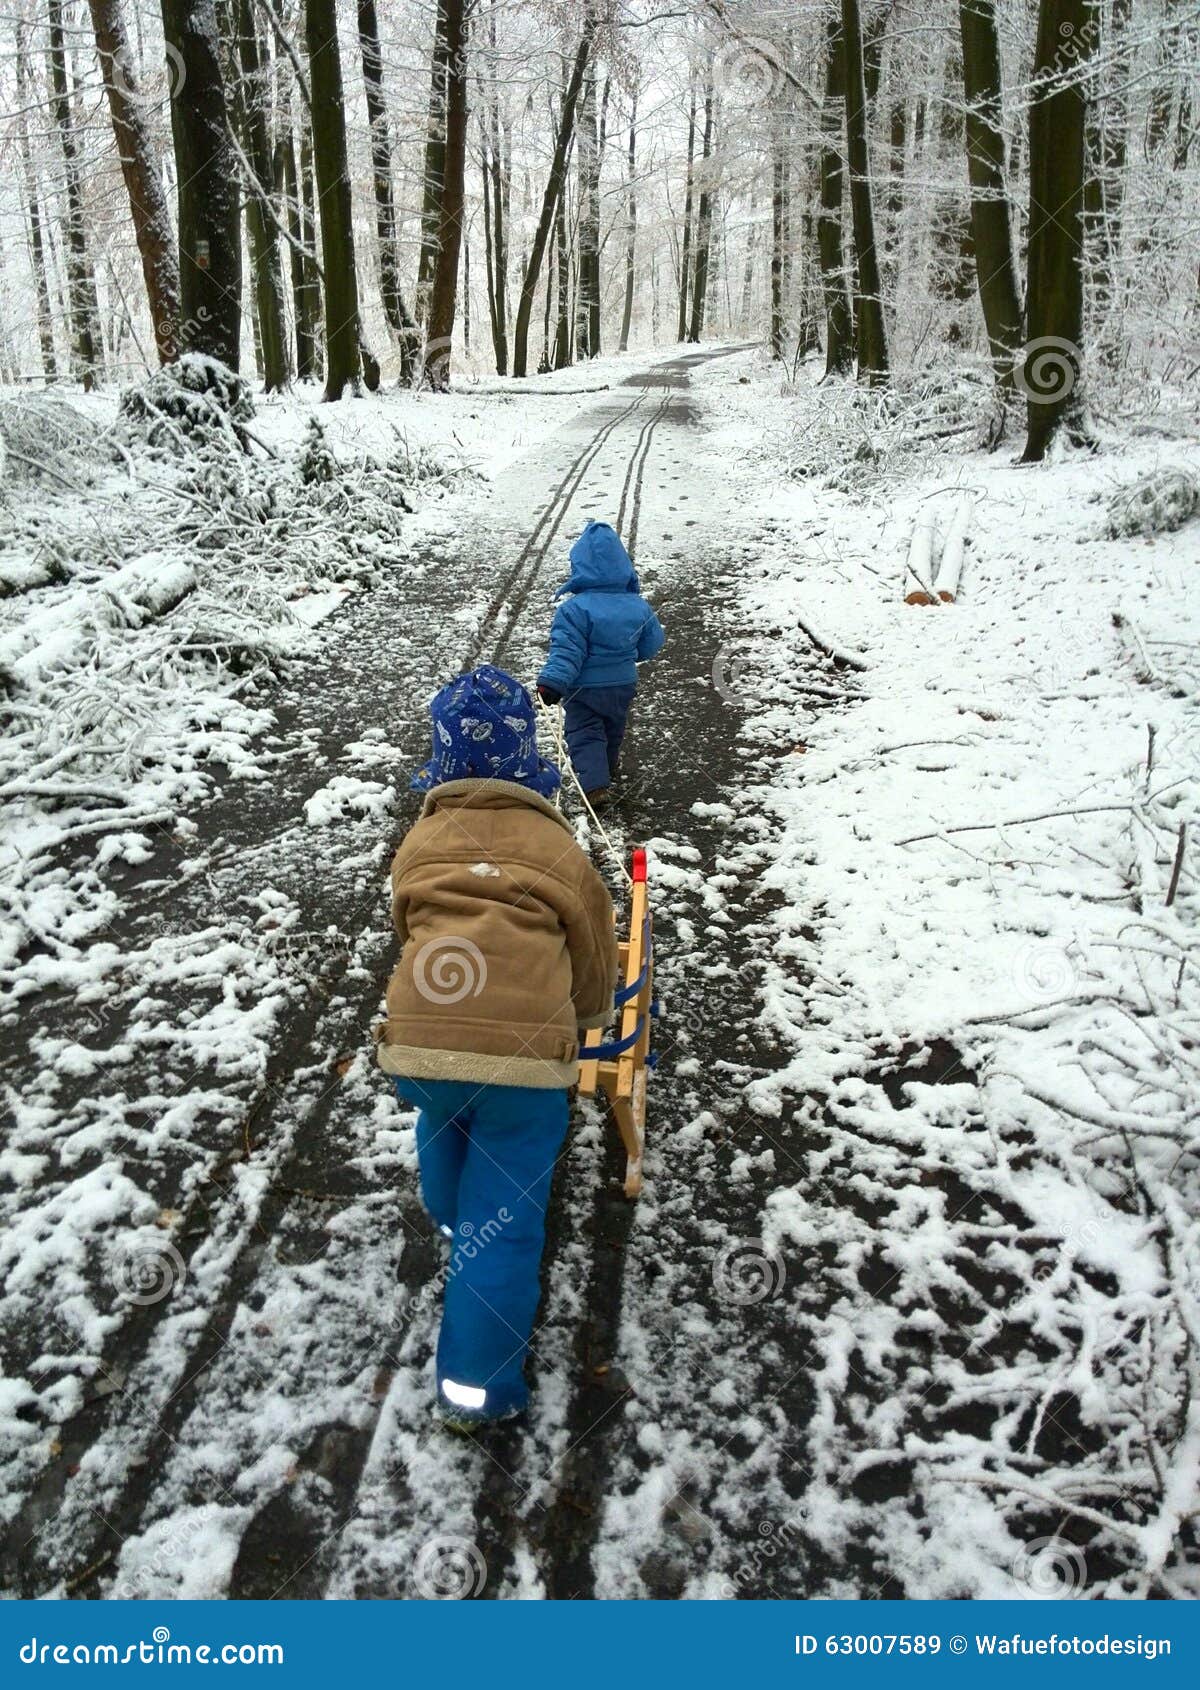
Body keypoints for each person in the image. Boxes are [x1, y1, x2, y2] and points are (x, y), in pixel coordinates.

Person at [377, 664, 617, 1431]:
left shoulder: (419, 841)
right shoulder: (557, 848)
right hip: (521, 1060)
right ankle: (475, 1392)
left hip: (420, 1044)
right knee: (506, 1226)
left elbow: (406, 930)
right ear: (529, 762)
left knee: (444, 1120)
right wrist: (582, 1020)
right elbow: (592, 952)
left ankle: (451, 1214)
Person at [536, 520, 665, 806]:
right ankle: (608, 767)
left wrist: (552, 683)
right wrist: (626, 659)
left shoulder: (574, 609)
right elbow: (652, 643)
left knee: (584, 731)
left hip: (585, 688)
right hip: (622, 683)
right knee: (613, 727)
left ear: (580, 566)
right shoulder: (637, 605)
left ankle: (595, 785)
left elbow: (567, 651)